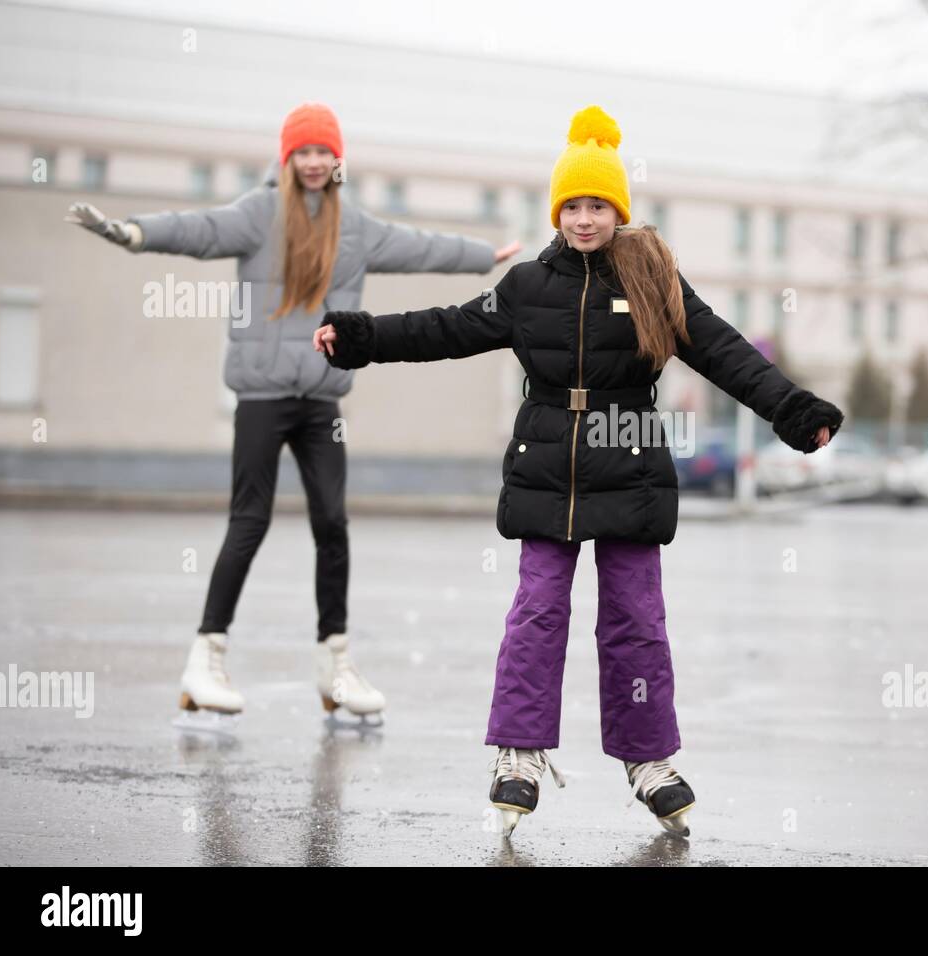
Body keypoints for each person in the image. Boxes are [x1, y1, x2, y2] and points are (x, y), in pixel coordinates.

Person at [313, 105, 842, 832]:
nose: (585, 219)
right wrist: (360, 336)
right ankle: (519, 753)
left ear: (617, 209)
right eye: (573, 205)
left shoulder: (654, 277)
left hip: (628, 458)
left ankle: (648, 759)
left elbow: (722, 350)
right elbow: (447, 328)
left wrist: (792, 409)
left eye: (598, 205)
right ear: (556, 208)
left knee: (636, 621)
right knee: (537, 613)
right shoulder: (529, 286)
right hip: (548, 466)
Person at [66, 101, 521, 727]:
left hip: (322, 402)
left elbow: (419, 246)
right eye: (301, 152)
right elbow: (198, 230)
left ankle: (335, 666)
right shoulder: (259, 214)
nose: (312, 162)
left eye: (323, 152)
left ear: (337, 160)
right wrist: (133, 232)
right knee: (248, 520)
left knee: (332, 523)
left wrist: (484, 254)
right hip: (261, 398)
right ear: (287, 159)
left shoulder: (355, 227)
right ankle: (206, 659)